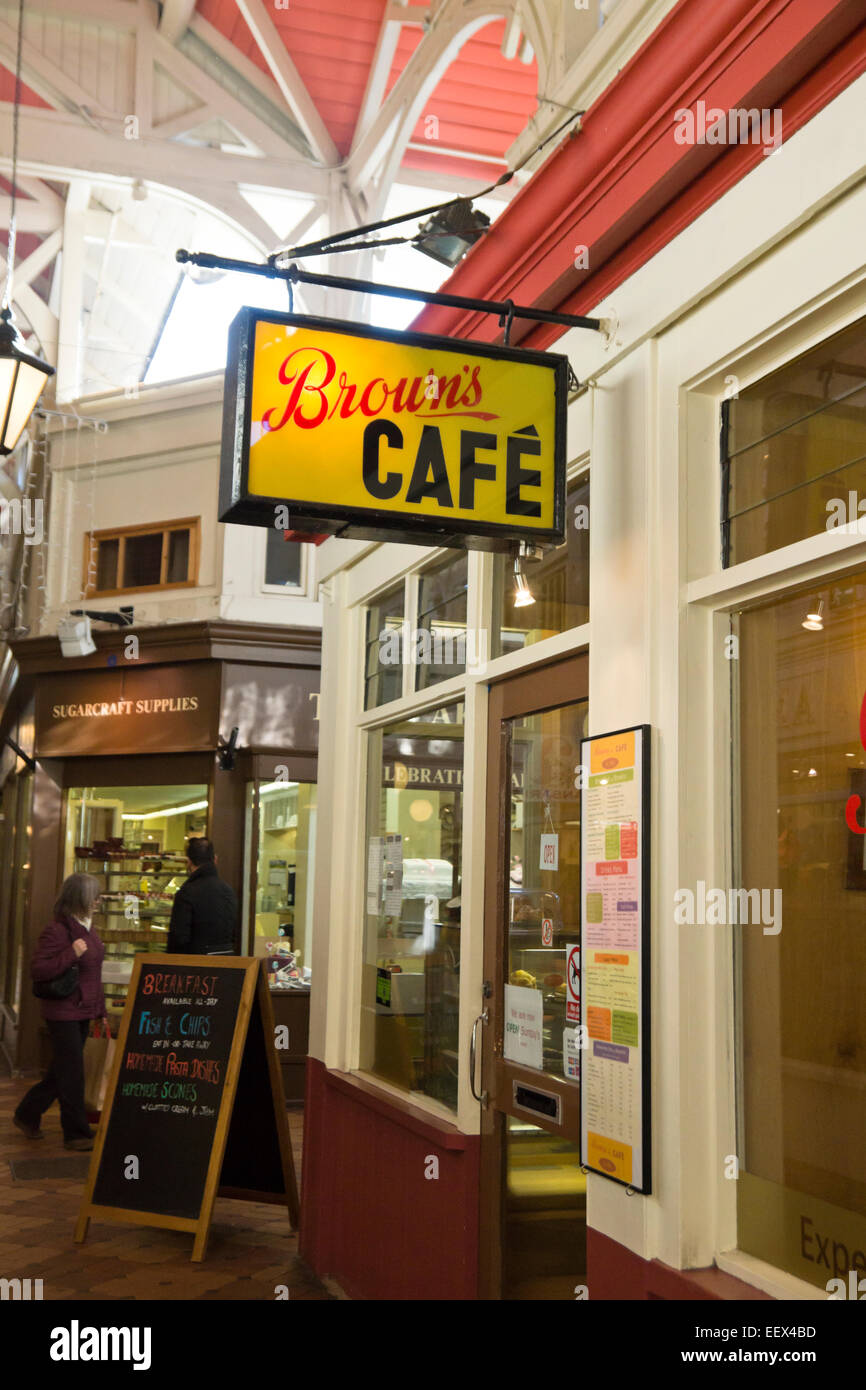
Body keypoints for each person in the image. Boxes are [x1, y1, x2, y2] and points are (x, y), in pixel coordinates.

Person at [14, 873, 106, 1152]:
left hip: (83, 1011)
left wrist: (100, 1010)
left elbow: (93, 975)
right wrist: (71, 953)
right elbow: (39, 970)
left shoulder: (88, 928)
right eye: (94, 895)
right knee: (72, 1073)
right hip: (62, 1011)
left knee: (61, 1071)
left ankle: (27, 1114)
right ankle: (75, 1133)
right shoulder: (57, 930)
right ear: (80, 898)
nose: (98, 900)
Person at [166, 837, 237, 955]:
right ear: (215, 859)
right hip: (225, 963)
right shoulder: (228, 891)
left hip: (196, 966)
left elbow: (178, 939)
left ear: (189, 862)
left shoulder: (186, 893)